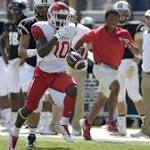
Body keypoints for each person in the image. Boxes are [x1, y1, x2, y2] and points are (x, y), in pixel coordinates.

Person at [9, 2, 77, 149]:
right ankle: (15, 131)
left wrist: (78, 58)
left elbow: (67, 47)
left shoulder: (71, 28)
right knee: (31, 107)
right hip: (39, 71)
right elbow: (41, 51)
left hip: (58, 73)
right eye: (57, 16)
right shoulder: (37, 26)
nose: (60, 20)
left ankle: (63, 123)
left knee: (72, 90)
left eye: (63, 17)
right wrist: (57, 36)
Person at [74, 9, 140, 140]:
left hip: (115, 70)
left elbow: (136, 51)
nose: (114, 21)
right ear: (106, 19)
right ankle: (111, 121)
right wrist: (74, 54)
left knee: (101, 101)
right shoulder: (97, 32)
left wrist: (131, 46)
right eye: (111, 18)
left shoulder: (124, 33)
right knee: (116, 87)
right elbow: (80, 41)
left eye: (116, 18)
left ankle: (87, 124)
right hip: (100, 68)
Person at [17, 0, 56, 147]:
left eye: (47, 8)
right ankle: (32, 133)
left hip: (53, 67)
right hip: (32, 67)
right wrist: (38, 52)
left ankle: (52, 124)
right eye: (41, 8)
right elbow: (21, 51)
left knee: (61, 97)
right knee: (35, 103)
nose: (43, 11)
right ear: (35, 8)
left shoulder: (58, 23)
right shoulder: (27, 23)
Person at [110, 0, 145, 135]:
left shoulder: (135, 26)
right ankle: (122, 127)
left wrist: (134, 64)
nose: (122, 15)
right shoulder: (112, 29)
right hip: (115, 65)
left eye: (124, 13)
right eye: (119, 13)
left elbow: (139, 48)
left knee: (134, 95)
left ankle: (146, 125)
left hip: (130, 62)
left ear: (129, 13)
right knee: (119, 96)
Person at [0, 0, 28, 128]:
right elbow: (2, 41)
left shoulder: (27, 24)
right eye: (14, 10)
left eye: (18, 10)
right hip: (12, 61)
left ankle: (28, 118)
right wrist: (5, 58)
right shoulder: (9, 25)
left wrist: (23, 59)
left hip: (25, 61)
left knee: (26, 91)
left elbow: (32, 43)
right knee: (13, 91)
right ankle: (14, 120)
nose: (15, 12)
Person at [131, 9, 150, 138]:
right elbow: (142, 52)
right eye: (147, 18)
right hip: (146, 73)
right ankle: (146, 131)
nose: (149, 21)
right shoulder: (145, 34)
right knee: (147, 106)